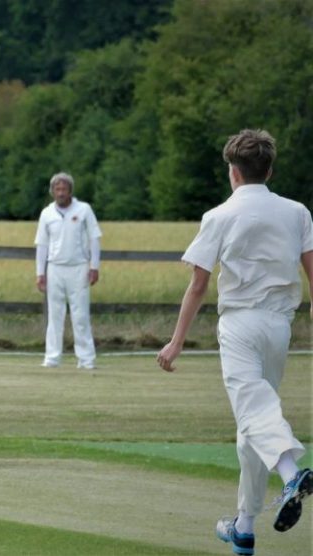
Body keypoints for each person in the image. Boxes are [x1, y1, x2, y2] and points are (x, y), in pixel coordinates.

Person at [156, 129, 313, 556]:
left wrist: (175, 342)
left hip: (240, 324)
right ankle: (243, 527)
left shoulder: (219, 216)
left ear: (233, 172)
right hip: (281, 327)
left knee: (256, 412)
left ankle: (291, 472)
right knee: (252, 425)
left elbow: (198, 285)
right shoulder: (297, 211)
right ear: (270, 168)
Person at [34, 172, 102, 369]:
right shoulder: (47, 213)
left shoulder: (84, 210)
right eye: (57, 189)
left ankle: (86, 359)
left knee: (80, 314)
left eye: (64, 189)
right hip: (55, 268)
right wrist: (40, 273)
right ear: (52, 191)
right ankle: (52, 357)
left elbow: (94, 238)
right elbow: (42, 245)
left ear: (70, 190)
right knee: (55, 315)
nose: (61, 192)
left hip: (79, 267)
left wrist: (94, 267)